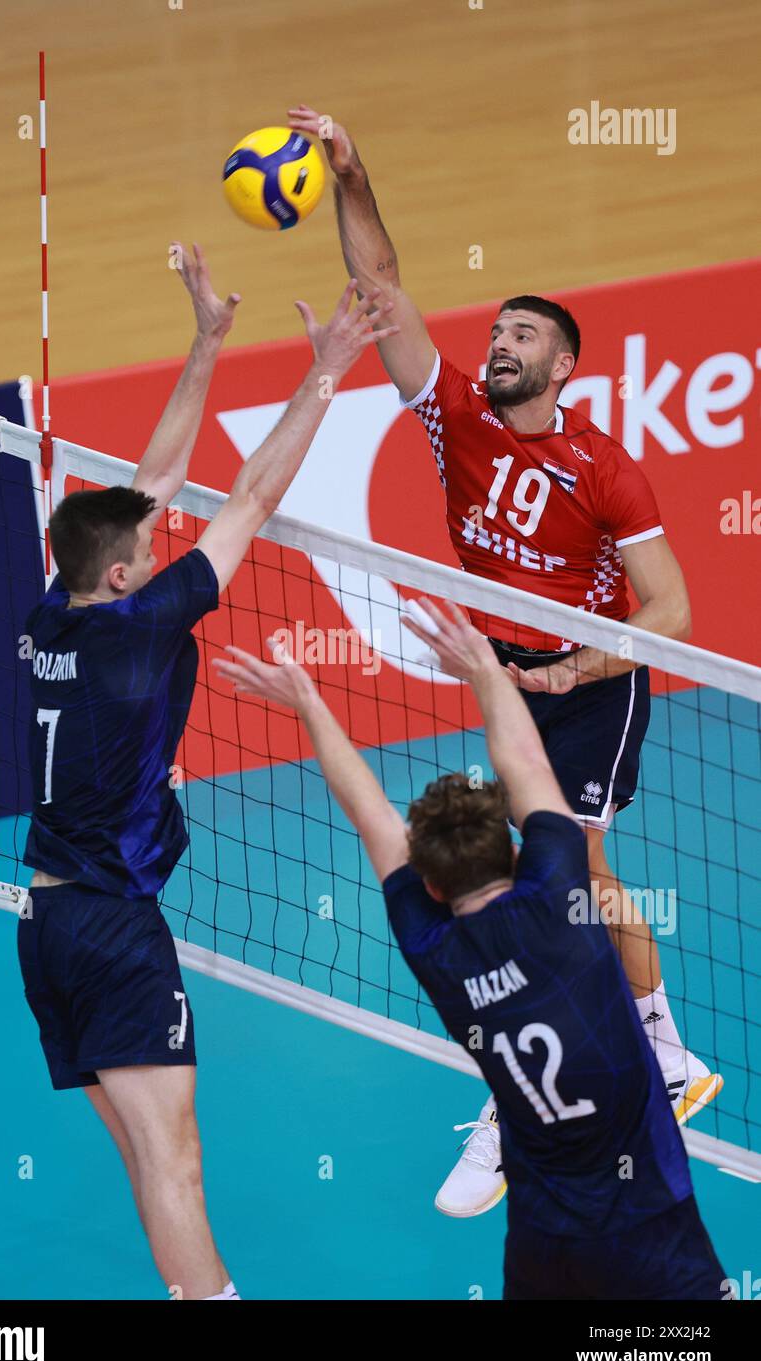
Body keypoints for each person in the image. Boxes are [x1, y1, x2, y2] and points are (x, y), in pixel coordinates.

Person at [285, 104, 722, 1217]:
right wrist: (351, 172)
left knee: (568, 868)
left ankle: (661, 1046)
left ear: (564, 363)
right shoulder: (453, 418)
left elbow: (669, 605)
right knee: (519, 880)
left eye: (524, 335)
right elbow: (379, 281)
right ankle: (580, 1069)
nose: (501, 343)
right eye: (499, 332)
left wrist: (583, 665)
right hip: (505, 674)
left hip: (590, 684)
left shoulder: (604, 470)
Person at [18, 242, 398, 1299]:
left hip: (44, 926)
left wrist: (207, 344)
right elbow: (253, 497)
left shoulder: (57, 608)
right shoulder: (143, 629)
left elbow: (153, 487)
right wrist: (324, 372)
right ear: (132, 575)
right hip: (109, 928)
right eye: (152, 542)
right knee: (177, 1162)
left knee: (150, 1159)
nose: (164, 527)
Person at [212, 600, 727, 1301]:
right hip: (653, 1225)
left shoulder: (434, 949)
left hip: (545, 1246)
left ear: (427, 883)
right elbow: (519, 757)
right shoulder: (558, 889)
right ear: (515, 852)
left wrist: (307, 702)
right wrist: (489, 668)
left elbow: (370, 814)